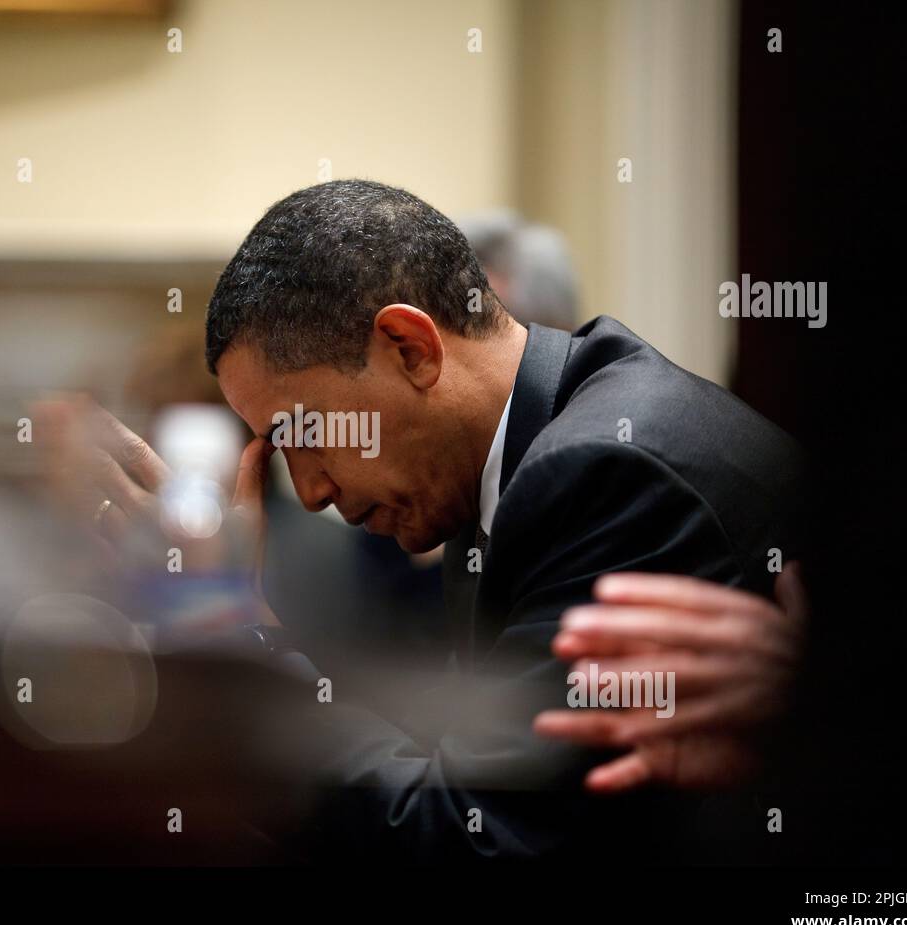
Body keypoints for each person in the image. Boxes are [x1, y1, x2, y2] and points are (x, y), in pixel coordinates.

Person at [54, 180, 805, 859]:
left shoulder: (603, 470)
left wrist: (234, 648)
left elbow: (477, 839)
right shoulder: (505, 459)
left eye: (301, 435)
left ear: (410, 347)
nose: (309, 492)